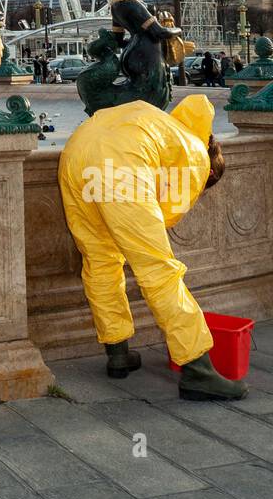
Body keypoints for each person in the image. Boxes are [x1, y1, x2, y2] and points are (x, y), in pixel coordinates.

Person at [58, 94, 247, 400]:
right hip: (119, 162)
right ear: (212, 172)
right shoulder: (197, 155)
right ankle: (197, 369)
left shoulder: (166, 124)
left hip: (76, 153)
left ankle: (118, 352)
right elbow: (166, 217)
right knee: (159, 269)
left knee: (100, 259)